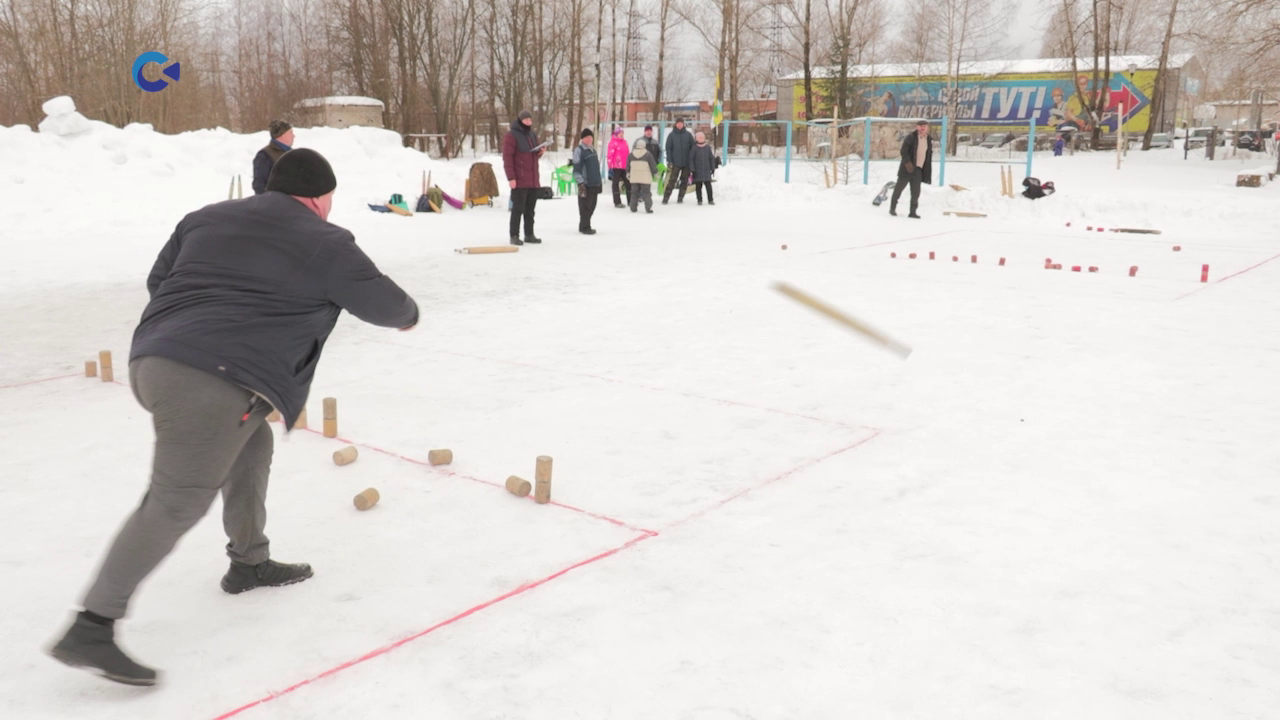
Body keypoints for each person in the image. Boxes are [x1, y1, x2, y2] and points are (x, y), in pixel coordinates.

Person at [47, 149, 419, 687]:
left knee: (252, 443)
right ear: (319, 198)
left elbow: (161, 281)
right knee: (174, 501)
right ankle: (92, 626)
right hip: (209, 382)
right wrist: (411, 317)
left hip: (155, 360)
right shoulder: (325, 240)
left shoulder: (205, 218)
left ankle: (249, 561)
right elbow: (386, 305)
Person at [502, 110, 545, 245]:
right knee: (518, 209)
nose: (528, 122)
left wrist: (540, 152)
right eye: (526, 120)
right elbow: (507, 158)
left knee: (530, 210)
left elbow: (534, 154)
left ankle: (529, 234)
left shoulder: (532, 135)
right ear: (520, 121)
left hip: (532, 179)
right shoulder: (511, 136)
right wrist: (511, 178)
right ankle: (514, 235)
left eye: (530, 120)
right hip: (519, 179)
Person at [889, 119, 934, 218]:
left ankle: (912, 212)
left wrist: (925, 171)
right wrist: (907, 163)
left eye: (924, 126)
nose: (922, 128)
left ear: (927, 128)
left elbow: (928, 156)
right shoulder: (911, 138)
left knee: (916, 192)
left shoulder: (929, 139)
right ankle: (892, 208)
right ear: (917, 127)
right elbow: (903, 151)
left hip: (918, 170)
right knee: (898, 189)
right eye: (920, 126)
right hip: (907, 169)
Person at [571, 128, 602, 235]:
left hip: (594, 182)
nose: (589, 139)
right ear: (582, 139)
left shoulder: (593, 150)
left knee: (592, 205)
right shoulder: (579, 150)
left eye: (590, 137)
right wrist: (580, 182)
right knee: (585, 206)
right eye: (586, 137)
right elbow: (577, 168)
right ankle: (585, 227)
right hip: (585, 183)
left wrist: (599, 181)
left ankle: (584, 224)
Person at [251, 120, 293, 195]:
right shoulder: (264, 156)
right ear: (282, 135)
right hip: (275, 203)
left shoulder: (293, 153)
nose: (293, 136)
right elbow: (259, 185)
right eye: (290, 133)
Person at [662, 117, 695, 204]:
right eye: (678, 123)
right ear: (676, 124)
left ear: (683, 124)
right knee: (672, 180)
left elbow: (693, 148)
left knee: (684, 181)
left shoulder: (688, 135)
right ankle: (666, 197)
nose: (680, 124)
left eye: (681, 123)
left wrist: (691, 161)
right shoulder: (671, 135)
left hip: (686, 163)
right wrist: (670, 161)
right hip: (675, 163)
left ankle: (680, 197)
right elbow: (668, 149)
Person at [627, 137, 657, 214]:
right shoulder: (648, 154)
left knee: (634, 193)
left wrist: (628, 173)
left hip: (634, 177)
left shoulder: (631, 155)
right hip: (645, 178)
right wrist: (655, 173)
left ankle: (633, 207)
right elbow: (652, 165)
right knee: (646, 193)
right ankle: (648, 208)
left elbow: (628, 165)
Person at [689, 131, 717, 206]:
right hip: (697, 171)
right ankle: (699, 200)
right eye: (699, 137)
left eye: (702, 137)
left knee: (708, 186)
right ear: (696, 139)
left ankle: (710, 199)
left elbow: (711, 158)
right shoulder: (694, 148)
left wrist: (712, 167)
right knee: (698, 187)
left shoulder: (707, 147)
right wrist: (692, 170)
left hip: (706, 171)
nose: (701, 139)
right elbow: (691, 159)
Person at [607, 126, 631, 208]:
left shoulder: (625, 142)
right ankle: (617, 202)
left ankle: (631, 201)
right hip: (616, 166)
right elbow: (609, 155)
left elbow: (628, 153)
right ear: (616, 134)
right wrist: (610, 166)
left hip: (625, 166)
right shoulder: (613, 142)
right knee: (615, 183)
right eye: (620, 133)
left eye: (622, 133)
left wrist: (629, 164)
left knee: (628, 183)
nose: (621, 135)